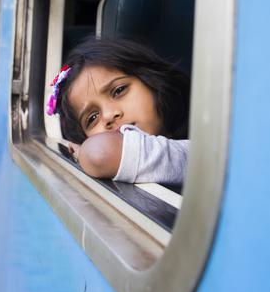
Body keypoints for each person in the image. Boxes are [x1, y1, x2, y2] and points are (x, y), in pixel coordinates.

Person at [47, 37, 190, 185]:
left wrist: (83, 154)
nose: (109, 115)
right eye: (92, 118)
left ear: (151, 81)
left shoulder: (202, 148)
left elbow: (101, 153)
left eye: (119, 91)